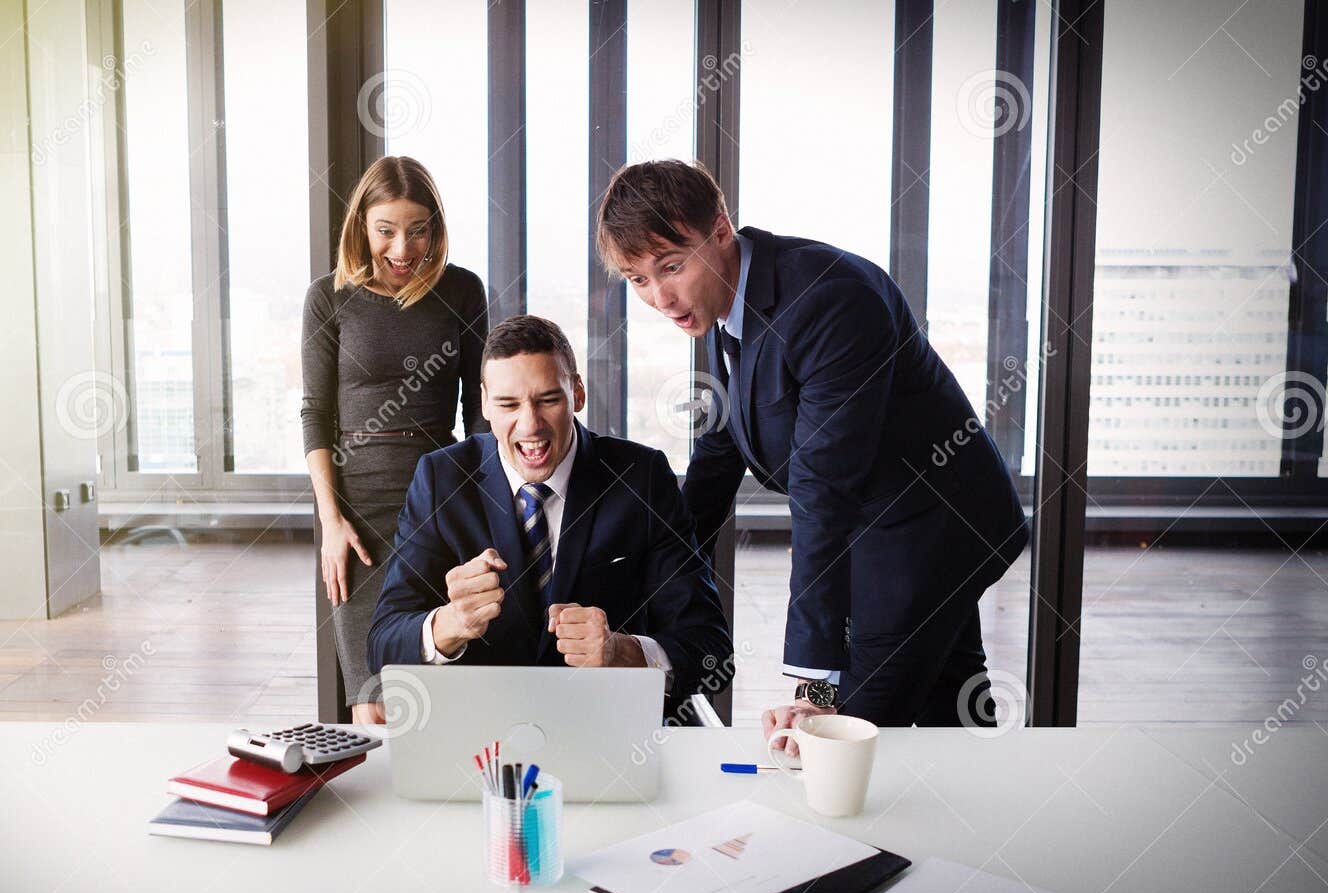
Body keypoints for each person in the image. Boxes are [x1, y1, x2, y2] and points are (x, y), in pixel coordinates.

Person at [596, 159, 1028, 741]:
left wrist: (813, 686)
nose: (661, 298)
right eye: (638, 280)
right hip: (884, 530)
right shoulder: (724, 303)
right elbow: (720, 453)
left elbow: (821, 491)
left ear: (720, 230)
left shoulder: (830, 301)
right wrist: (653, 578)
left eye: (671, 267)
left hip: (928, 530)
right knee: (955, 714)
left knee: (840, 736)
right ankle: (983, 799)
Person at [366, 314, 732, 722]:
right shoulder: (441, 479)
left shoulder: (641, 478)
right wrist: (450, 624)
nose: (530, 425)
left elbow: (711, 651)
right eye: (508, 404)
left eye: (548, 400)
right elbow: (382, 644)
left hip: (608, 731)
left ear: (577, 393)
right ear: (484, 403)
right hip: (480, 734)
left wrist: (621, 652)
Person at [301, 156, 488, 725]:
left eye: (418, 230)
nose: (402, 248)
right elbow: (315, 414)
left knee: (435, 690)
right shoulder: (329, 297)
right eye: (386, 230)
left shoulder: (462, 291)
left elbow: (478, 414)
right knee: (374, 703)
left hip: (439, 500)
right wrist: (331, 521)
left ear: (436, 228)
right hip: (357, 516)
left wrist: (483, 507)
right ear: (362, 225)